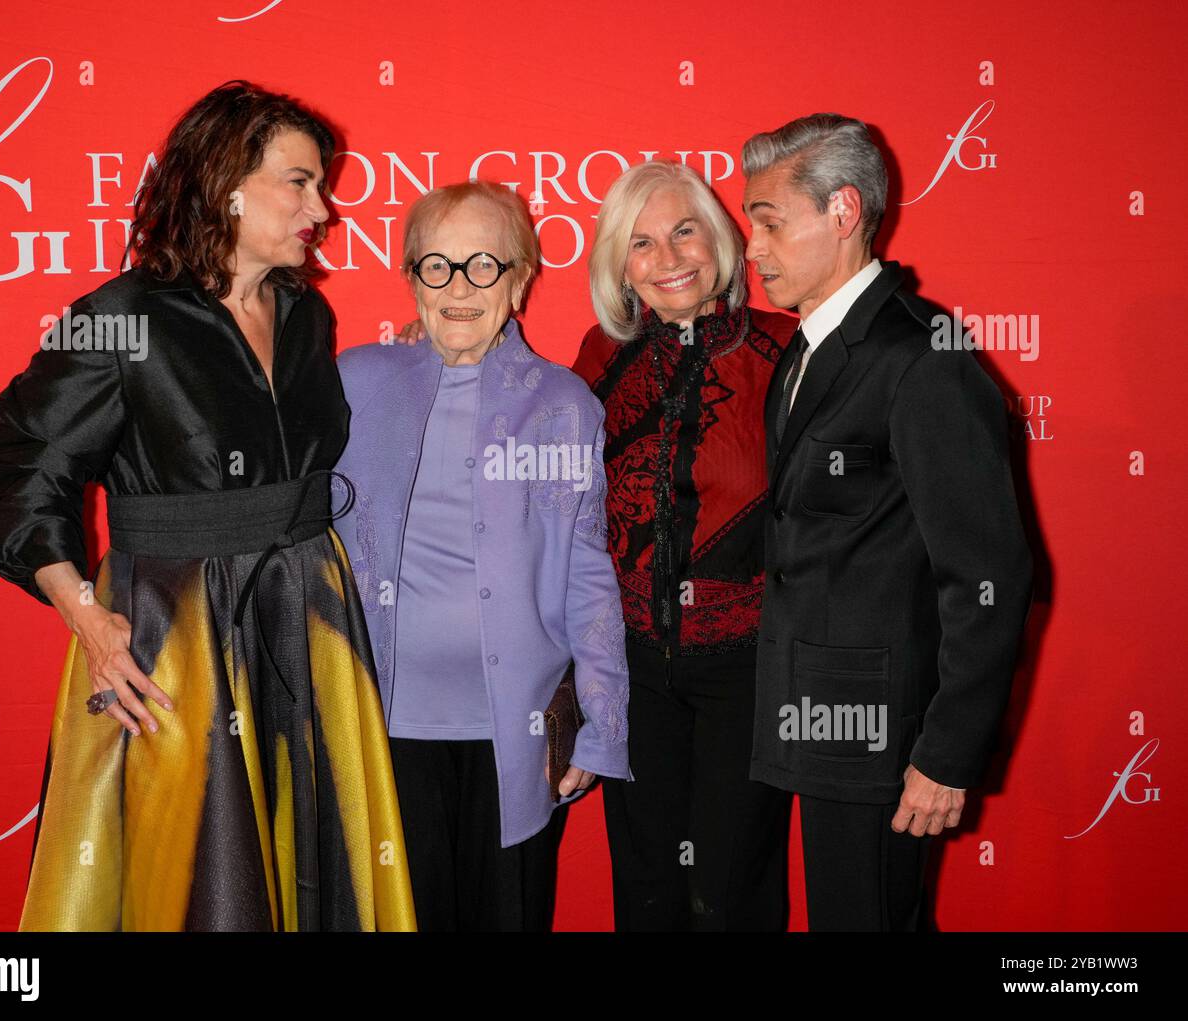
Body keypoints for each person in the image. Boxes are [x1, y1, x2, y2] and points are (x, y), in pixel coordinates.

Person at [0, 80, 415, 931]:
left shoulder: (306, 313)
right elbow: (10, 465)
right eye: (301, 181)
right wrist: (89, 618)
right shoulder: (121, 317)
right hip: (179, 633)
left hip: (306, 614)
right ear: (227, 183)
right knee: (202, 873)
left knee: (315, 862)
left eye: (322, 184)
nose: (323, 205)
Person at [741, 113, 1033, 930]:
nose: (752, 247)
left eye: (768, 222)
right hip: (813, 717)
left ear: (842, 211)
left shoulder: (924, 356)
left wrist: (943, 755)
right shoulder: (803, 349)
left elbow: (989, 576)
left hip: (881, 736)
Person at [332, 180, 631, 931]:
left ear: (521, 277)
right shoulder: (354, 382)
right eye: (437, 266)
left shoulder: (561, 404)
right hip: (381, 730)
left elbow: (589, 573)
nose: (458, 288)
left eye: (482, 266)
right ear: (409, 277)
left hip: (517, 738)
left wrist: (602, 721)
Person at [571, 160, 798, 931]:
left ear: (721, 240)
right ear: (618, 264)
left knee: (732, 889)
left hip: (751, 665)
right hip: (633, 666)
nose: (667, 259)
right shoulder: (600, 358)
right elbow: (549, 490)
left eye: (683, 231)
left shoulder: (787, 349)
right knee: (647, 889)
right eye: (641, 243)